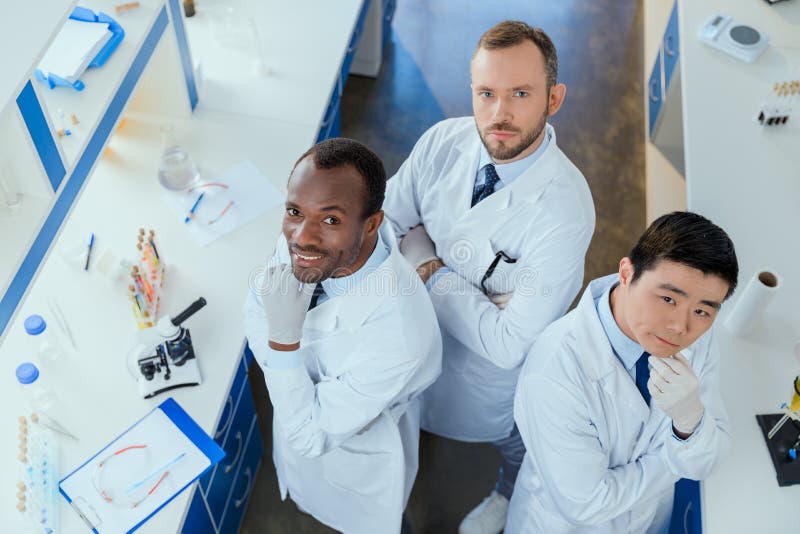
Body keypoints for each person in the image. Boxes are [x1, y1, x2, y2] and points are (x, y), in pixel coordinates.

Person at [382, 20, 595, 533]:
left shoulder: (565, 211)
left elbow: (506, 346)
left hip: (489, 382)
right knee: (402, 422)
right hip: (412, 343)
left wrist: (426, 263)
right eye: (486, 93)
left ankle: (506, 492)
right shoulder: (443, 142)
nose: (500, 113)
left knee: (520, 442)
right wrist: (475, 295)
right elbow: (385, 221)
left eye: (521, 93)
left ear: (554, 98)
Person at [243, 138, 442, 534]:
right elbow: (252, 312)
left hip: (359, 454)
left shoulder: (399, 333)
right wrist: (292, 375)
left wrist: (284, 345)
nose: (302, 236)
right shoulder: (304, 246)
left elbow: (310, 435)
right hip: (310, 425)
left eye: (331, 219)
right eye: (294, 211)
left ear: (371, 224)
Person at [507, 211, 739, 533]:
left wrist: (689, 423)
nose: (680, 327)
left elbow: (708, 461)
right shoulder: (553, 372)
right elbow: (586, 504)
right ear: (627, 273)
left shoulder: (697, 338)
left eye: (701, 310)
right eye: (668, 298)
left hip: (650, 519)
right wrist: (678, 452)